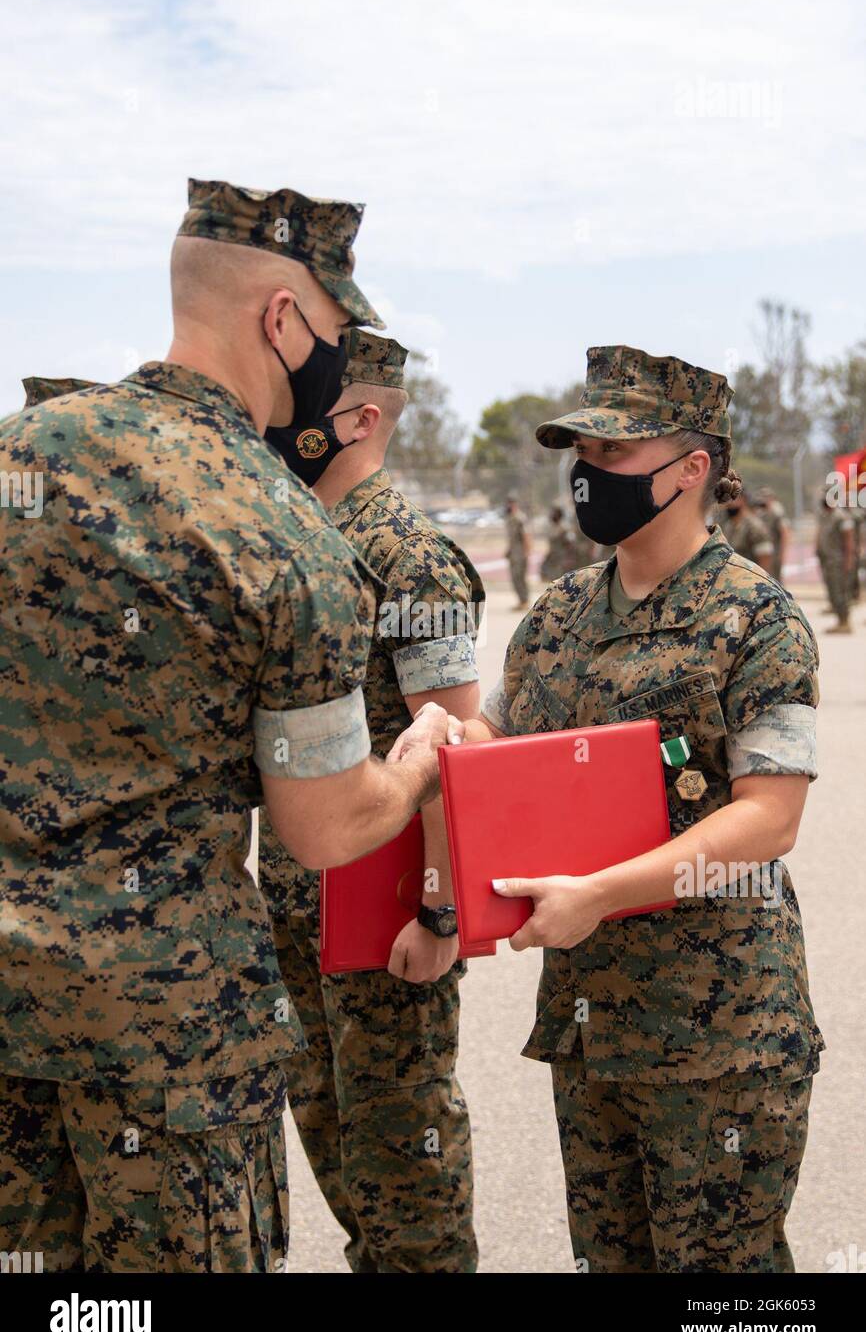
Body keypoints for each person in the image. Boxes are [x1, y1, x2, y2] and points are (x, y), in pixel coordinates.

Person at [0, 179, 453, 1273]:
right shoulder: (283, 533)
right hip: (173, 1041)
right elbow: (326, 828)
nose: (339, 360)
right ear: (283, 319)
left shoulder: (20, 454)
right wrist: (417, 768)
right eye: (337, 331)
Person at [453, 345, 824, 1273]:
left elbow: (769, 820)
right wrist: (447, 741)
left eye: (615, 453)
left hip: (720, 1036)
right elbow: (506, 753)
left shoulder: (757, 618)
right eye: (583, 452)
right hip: (592, 1025)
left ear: (691, 469)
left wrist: (602, 894)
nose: (588, 474)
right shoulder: (559, 613)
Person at [259, 330, 483, 1273]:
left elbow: (457, 750)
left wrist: (441, 910)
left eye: (302, 397)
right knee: (335, 1142)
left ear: (357, 419)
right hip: (298, 903)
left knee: (403, 1162)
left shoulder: (410, 559)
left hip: (386, 912)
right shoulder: (295, 544)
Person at [816, 488, 856, 634]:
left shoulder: (842, 517)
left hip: (839, 562)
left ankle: (845, 622)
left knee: (841, 592)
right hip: (828, 561)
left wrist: (849, 562)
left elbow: (849, 542)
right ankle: (840, 621)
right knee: (833, 591)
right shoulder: (827, 516)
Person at [719, 487, 775, 573]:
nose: (728, 503)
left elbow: (765, 559)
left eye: (732, 499)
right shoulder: (728, 526)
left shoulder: (755, 527)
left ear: (743, 500)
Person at [540, 503, 594, 581]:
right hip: (554, 560)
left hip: (562, 561)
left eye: (553, 513)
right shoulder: (552, 529)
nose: (551, 515)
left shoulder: (564, 529)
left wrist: (569, 559)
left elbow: (571, 544)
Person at [754, 486, 789, 584]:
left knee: (776, 582)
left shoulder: (777, 512)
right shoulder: (761, 513)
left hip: (775, 553)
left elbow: (784, 532)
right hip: (765, 553)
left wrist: (782, 554)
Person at [505, 494, 531, 609]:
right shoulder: (510, 519)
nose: (509, 505)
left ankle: (524, 600)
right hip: (513, 554)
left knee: (520, 577)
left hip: (520, 554)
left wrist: (527, 552)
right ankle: (521, 600)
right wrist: (508, 551)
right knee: (515, 577)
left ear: (515, 505)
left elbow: (526, 536)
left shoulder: (520, 518)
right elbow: (512, 539)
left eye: (511, 503)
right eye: (508, 503)